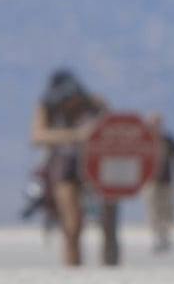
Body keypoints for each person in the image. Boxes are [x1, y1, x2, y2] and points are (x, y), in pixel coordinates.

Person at [30, 69, 119, 267]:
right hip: (64, 165)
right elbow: (37, 136)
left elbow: (114, 129)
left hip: (97, 165)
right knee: (72, 224)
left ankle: (111, 265)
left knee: (109, 219)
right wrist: (76, 135)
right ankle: (73, 270)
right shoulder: (48, 106)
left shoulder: (95, 103)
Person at [145, 115, 174, 253]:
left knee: (168, 211)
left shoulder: (169, 141)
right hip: (150, 183)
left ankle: (166, 236)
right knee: (154, 211)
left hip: (167, 182)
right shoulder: (145, 141)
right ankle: (157, 237)